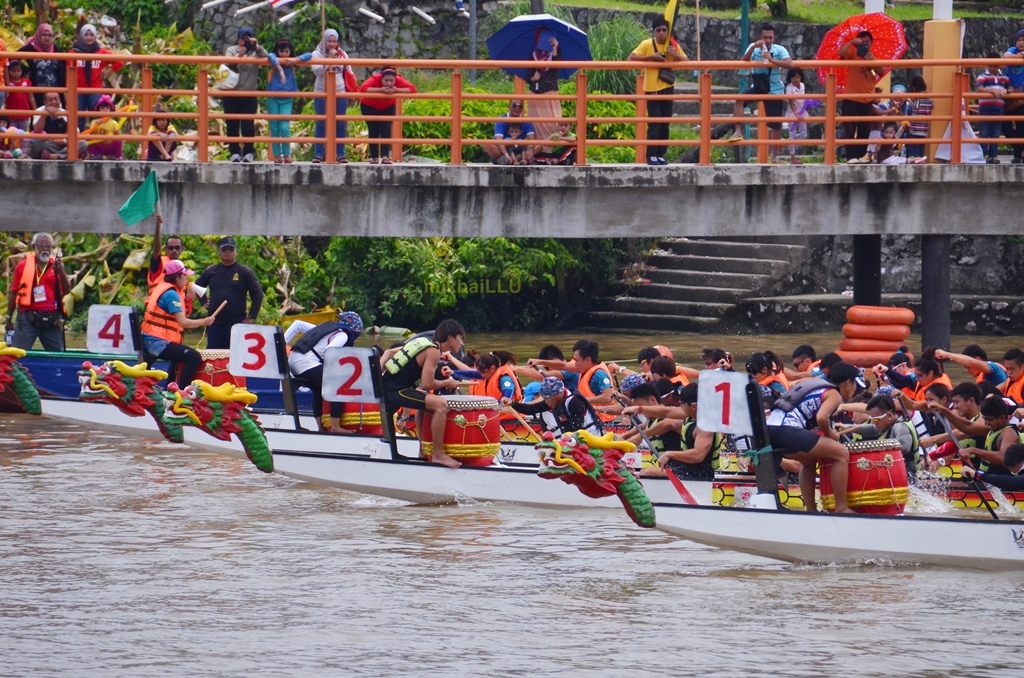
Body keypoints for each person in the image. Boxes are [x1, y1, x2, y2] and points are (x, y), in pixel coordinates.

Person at [765, 362, 862, 513]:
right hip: (786, 429)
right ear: (848, 382)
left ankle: (811, 510)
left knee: (809, 460)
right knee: (841, 454)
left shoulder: (818, 385)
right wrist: (830, 434)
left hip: (771, 430)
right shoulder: (834, 394)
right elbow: (822, 418)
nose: (856, 388)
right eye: (855, 383)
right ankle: (841, 507)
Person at [380, 318, 467, 468]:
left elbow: (388, 352)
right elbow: (428, 383)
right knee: (440, 404)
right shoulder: (433, 351)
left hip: (389, 387)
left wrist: (376, 381)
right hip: (395, 390)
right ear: (450, 337)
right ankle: (438, 454)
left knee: (424, 403)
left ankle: (422, 450)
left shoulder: (422, 343)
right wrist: (447, 383)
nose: (462, 344)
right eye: (461, 338)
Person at [284, 311, 364, 433]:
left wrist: (280, 344)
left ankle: (321, 427)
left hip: (293, 361)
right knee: (338, 385)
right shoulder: (343, 335)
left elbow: (297, 324)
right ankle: (336, 427)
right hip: (306, 364)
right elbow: (329, 351)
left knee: (318, 388)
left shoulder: (326, 329)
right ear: (355, 330)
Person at [140, 260, 216, 386]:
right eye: (184, 276)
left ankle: (170, 388)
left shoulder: (165, 288)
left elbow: (178, 316)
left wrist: (187, 300)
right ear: (177, 277)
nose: (186, 279)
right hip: (157, 342)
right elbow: (184, 322)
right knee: (194, 357)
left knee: (178, 356)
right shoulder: (171, 294)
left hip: (150, 338)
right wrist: (204, 321)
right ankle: (180, 392)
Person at [727, 24, 793, 164]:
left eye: (770, 37)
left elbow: (789, 64)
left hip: (774, 90)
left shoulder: (779, 49)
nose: (768, 40)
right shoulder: (754, 47)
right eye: (765, 37)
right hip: (757, 87)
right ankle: (738, 131)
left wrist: (771, 60)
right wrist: (753, 48)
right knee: (739, 99)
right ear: (759, 38)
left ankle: (774, 156)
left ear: (774, 38)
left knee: (775, 125)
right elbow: (743, 61)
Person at [628, 18, 686, 166]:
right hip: (652, 88)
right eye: (658, 30)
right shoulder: (647, 44)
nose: (661, 33)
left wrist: (675, 54)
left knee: (665, 122)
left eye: (664, 30)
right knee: (655, 122)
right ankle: (651, 154)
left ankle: (661, 153)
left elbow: (687, 62)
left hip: (667, 86)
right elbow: (631, 58)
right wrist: (651, 58)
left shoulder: (672, 44)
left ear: (668, 31)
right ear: (653, 32)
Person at [194, 237, 265, 349]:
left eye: (230, 249)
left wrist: (251, 317)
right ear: (219, 252)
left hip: (237, 323)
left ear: (236, 252)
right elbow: (196, 286)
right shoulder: (211, 270)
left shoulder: (244, 271)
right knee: (214, 355)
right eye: (224, 249)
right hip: (214, 323)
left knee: (237, 354)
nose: (227, 252)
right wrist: (203, 301)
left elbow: (258, 294)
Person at [223, 27, 281, 163]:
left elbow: (268, 57)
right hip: (231, 93)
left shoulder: (256, 52)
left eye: (248, 37)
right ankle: (234, 153)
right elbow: (227, 62)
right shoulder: (232, 50)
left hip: (249, 94)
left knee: (248, 125)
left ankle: (249, 152)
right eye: (243, 37)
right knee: (232, 125)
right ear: (238, 39)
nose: (245, 40)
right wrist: (240, 56)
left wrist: (257, 47)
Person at [5, 233, 70, 351]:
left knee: (59, 355)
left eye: (48, 246)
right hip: (28, 317)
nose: (45, 248)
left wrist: (61, 272)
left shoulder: (57, 266)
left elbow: (67, 290)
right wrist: (9, 318)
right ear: (34, 246)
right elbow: (14, 292)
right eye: (41, 245)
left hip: (52, 319)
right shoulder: (22, 266)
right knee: (17, 354)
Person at [311, 29, 358, 164]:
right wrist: (329, 59)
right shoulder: (317, 53)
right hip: (322, 92)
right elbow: (318, 71)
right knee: (321, 123)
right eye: (329, 41)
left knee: (340, 123)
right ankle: (319, 154)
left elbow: (349, 70)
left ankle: (340, 154)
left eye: (334, 41)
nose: (332, 44)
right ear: (324, 41)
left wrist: (353, 90)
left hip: (340, 92)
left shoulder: (343, 54)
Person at [504, 375, 604, 438]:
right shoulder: (553, 401)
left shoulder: (574, 402)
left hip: (592, 439)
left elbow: (578, 430)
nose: (546, 402)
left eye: (547, 398)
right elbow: (531, 409)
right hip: (573, 440)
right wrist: (512, 403)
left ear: (558, 394)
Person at [70, 24, 124, 131]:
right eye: (86, 35)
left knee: (95, 118)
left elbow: (120, 62)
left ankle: (94, 144)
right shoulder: (74, 52)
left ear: (95, 37)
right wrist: (69, 90)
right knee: (77, 118)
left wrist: (106, 73)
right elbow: (68, 72)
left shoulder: (101, 52)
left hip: (95, 89)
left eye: (91, 35)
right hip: (77, 90)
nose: (89, 38)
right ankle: (77, 144)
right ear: (81, 36)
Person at [358, 65, 416, 165]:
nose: (389, 83)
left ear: (395, 79)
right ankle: (374, 157)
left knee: (386, 130)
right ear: (381, 78)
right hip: (369, 105)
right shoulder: (375, 79)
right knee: (373, 131)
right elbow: (363, 88)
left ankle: (385, 157)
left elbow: (412, 89)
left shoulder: (399, 80)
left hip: (388, 106)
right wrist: (381, 90)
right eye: (386, 80)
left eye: (391, 81)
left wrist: (397, 90)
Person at [266, 39, 311, 164]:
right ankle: (276, 156)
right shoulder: (275, 60)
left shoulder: (292, 61)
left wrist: (296, 60)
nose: (284, 54)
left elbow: (309, 55)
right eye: (282, 51)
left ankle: (286, 155)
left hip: (287, 98)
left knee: (284, 127)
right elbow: (270, 55)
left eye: (287, 51)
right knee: (274, 127)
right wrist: (279, 69)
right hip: (273, 97)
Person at [839, 30, 879, 162]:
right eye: (862, 42)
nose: (865, 44)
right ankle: (851, 157)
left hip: (867, 100)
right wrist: (851, 42)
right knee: (849, 130)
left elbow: (881, 71)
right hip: (851, 98)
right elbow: (841, 53)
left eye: (867, 42)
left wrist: (872, 61)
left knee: (864, 131)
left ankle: (860, 156)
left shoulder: (873, 57)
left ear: (871, 43)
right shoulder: (852, 53)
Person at [959, 396, 1024, 476]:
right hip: (988, 479)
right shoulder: (994, 429)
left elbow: (1004, 458)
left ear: (1002, 418)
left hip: (1001, 483)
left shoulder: (1008, 433)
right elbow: (966, 428)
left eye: (988, 419)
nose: (986, 423)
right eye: (984, 419)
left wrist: (973, 450)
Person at [526, 32, 563, 149]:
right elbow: (527, 76)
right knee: (534, 124)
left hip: (550, 93)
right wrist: (533, 78)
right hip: (534, 94)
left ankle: (553, 150)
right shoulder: (533, 55)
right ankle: (536, 151)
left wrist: (555, 48)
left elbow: (557, 68)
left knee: (553, 123)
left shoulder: (555, 53)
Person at [17, 24, 65, 109]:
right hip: (37, 91)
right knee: (39, 118)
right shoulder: (31, 48)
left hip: (55, 92)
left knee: (57, 118)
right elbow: (13, 59)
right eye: (44, 35)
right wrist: (23, 71)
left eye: (49, 35)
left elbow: (66, 65)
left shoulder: (57, 49)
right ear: (39, 35)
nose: (47, 38)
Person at [29, 91, 88, 160]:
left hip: (62, 144)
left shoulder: (64, 112)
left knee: (83, 143)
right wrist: (44, 115)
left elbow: (76, 132)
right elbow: (37, 129)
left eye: (56, 99)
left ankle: (55, 156)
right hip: (47, 144)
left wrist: (64, 141)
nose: (54, 102)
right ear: (45, 102)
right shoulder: (39, 111)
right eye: (50, 100)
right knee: (40, 145)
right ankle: (68, 154)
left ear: (60, 101)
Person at [975, 54, 1009, 164]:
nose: (992, 68)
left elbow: (1011, 87)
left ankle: (993, 156)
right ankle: (983, 155)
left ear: (999, 65)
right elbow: (980, 88)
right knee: (984, 133)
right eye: (990, 66)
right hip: (985, 108)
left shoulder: (1004, 78)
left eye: (994, 66)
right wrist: (992, 92)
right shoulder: (982, 76)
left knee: (995, 133)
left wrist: (1006, 91)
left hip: (998, 109)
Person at [483, 100, 536, 165]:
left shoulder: (526, 121)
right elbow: (499, 140)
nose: (517, 108)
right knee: (487, 145)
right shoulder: (501, 119)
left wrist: (530, 147)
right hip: (503, 151)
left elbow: (531, 137)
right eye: (514, 105)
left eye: (520, 106)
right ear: (509, 107)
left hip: (519, 149)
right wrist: (506, 154)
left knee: (539, 146)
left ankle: (510, 160)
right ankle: (514, 159)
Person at [574, 340, 615, 421]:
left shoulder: (599, 374)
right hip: (590, 419)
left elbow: (608, 397)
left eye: (577, 360)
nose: (575, 364)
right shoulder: (584, 372)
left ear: (588, 360)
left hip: (603, 421)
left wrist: (582, 400)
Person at [935, 346, 1008, 390]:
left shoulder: (994, 368)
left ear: (978, 359)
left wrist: (947, 355)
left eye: (967, 366)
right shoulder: (982, 376)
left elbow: (972, 362)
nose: (966, 370)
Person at [1002, 30, 1024, 164]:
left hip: (1022, 95)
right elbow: (1006, 57)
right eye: (1019, 40)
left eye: (1023, 40)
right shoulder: (1012, 50)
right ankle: (1021, 151)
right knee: (1004, 124)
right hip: (1009, 93)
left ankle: (1018, 155)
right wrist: (1021, 56)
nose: (1021, 43)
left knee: (1022, 126)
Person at [84, 96, 123, 160]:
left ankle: (117, 156)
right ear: (98, 110)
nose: (105, 110)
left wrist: (116, 133)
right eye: (102, 108)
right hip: (99, 146)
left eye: (107, 108)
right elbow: (91, 134)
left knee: (119, 140)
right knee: (87, 137)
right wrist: (97, 124)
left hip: (110, 145)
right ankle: (96, 154)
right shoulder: (94, 122)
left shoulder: (114, 123)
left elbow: (118, 136)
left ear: (110, 110)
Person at [905, 76, 933, 160]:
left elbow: (916, 107)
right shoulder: (929, 97)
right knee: (921, 152)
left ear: (913, 87)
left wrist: (909, 100)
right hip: (924, 129)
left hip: (915, 129)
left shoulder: (918, 97)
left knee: (914, 154)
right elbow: (932, 106)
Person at [4, 61, 34, 134]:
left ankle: (23, 146)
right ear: (8, 71)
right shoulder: (7, 83)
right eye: (13, 71)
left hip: (24, 113)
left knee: (23, 133)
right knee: (11, 133)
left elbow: (31, 97)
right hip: (11, 114)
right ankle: (13, 146)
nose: (16, 73)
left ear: (22, 71)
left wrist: (35, 109)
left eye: (18, 71)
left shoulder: (26, 82)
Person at [785, 67, 807, 165]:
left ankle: (788, 142)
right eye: (793, 77)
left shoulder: (802, 85)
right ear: (790, 78)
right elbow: (791, 102)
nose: (796, 79)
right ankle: (793, 158)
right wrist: (796, 113)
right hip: (793, 114)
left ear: (801, 78)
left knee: (803, 134)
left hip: (802, 113)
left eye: (798, 77)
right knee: (792, 134)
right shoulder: (789, 88)